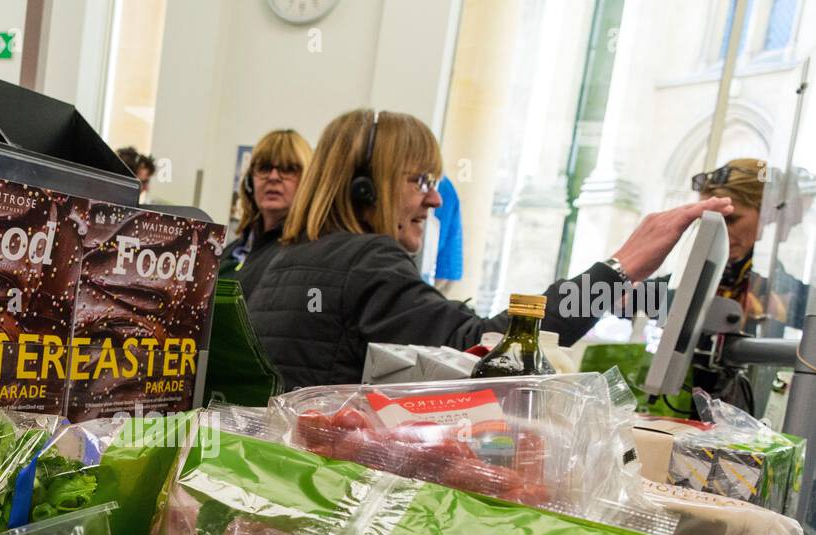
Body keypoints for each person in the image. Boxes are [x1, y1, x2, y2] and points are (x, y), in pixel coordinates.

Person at [246, 109, 733, 390]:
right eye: (419, 180)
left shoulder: (283, 257)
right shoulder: (366, 260)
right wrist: (618, 269)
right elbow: (494, 350)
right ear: (363, 189)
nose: (434, 198)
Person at [694, 159, 808, 325]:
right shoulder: (696, 271)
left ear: (766, 215)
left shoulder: (782, 290)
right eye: (707, 222)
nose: (717, 233)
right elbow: (650, 300)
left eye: (731, 220)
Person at [218, 129, 312, 298]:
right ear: (249, 181)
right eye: (264, 168)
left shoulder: (311, 251)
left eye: (288, 169)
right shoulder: (231, 252)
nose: (273, 177)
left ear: (307, 181)